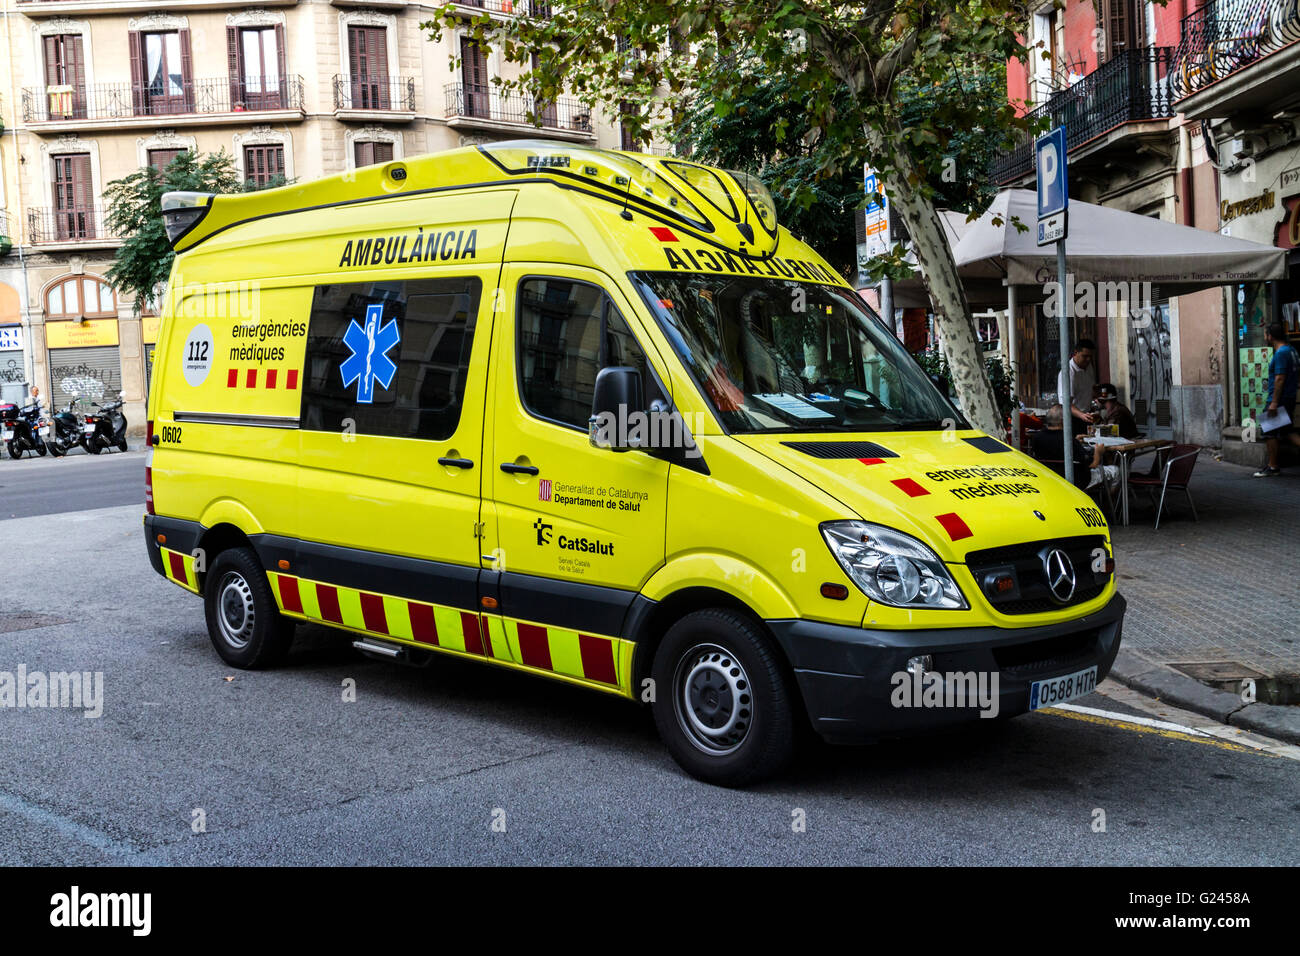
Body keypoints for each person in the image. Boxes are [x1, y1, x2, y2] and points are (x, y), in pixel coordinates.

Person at [1030, 404, 1117, 491]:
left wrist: (1075, 440)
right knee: (1116, 470)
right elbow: (1093, 464)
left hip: (1050, 480)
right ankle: (1109, 502)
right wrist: (1098, 452)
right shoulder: (1067, 440)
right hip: (1076, 481)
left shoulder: (1037, 437)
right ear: (1064, 420)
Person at [1255, 321, 1300, 477]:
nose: (1265, 337)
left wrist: (1274, 402)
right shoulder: (1292, 350)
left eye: (1266, 335)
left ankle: (1273, 466)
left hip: (1279, 398)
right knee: (1286, 431)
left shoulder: (1281, 353)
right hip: (1288, 397)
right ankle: (1272, 465)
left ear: (1270, 337)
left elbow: (1280, 378)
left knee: (1270, 432)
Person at [1056, 338, 1098, 427]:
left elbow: (1090, 388)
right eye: (1085, 356)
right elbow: (1066, 404)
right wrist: (1082, 415)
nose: (1088, 359)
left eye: (1090, 356)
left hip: (1086, 415)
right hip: (1073, 418)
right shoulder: (1067, 373)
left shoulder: (1089, 366)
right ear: (1075, 353)